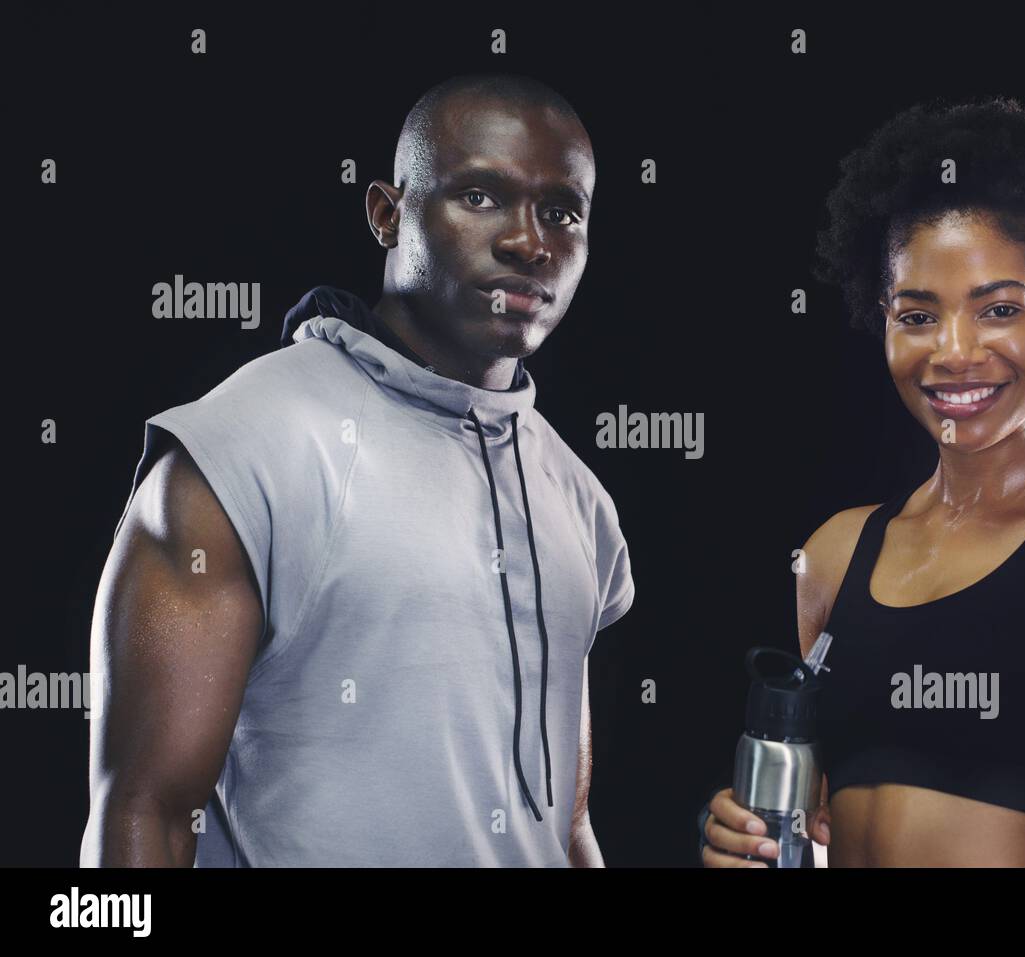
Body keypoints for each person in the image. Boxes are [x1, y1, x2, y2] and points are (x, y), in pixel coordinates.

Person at [80, 73, 634, 867]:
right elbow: (141, 815)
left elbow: (568, 828)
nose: (528, 242)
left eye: (561, 212)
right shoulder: (242, 449)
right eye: (480, 196)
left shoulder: (582, 502)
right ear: (387, 212)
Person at [702, 97, 1025, 867]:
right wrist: (743, 841)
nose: (954, 351)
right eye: (917, 315)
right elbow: (810, 836)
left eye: (998, 308)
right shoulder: (834, 554)